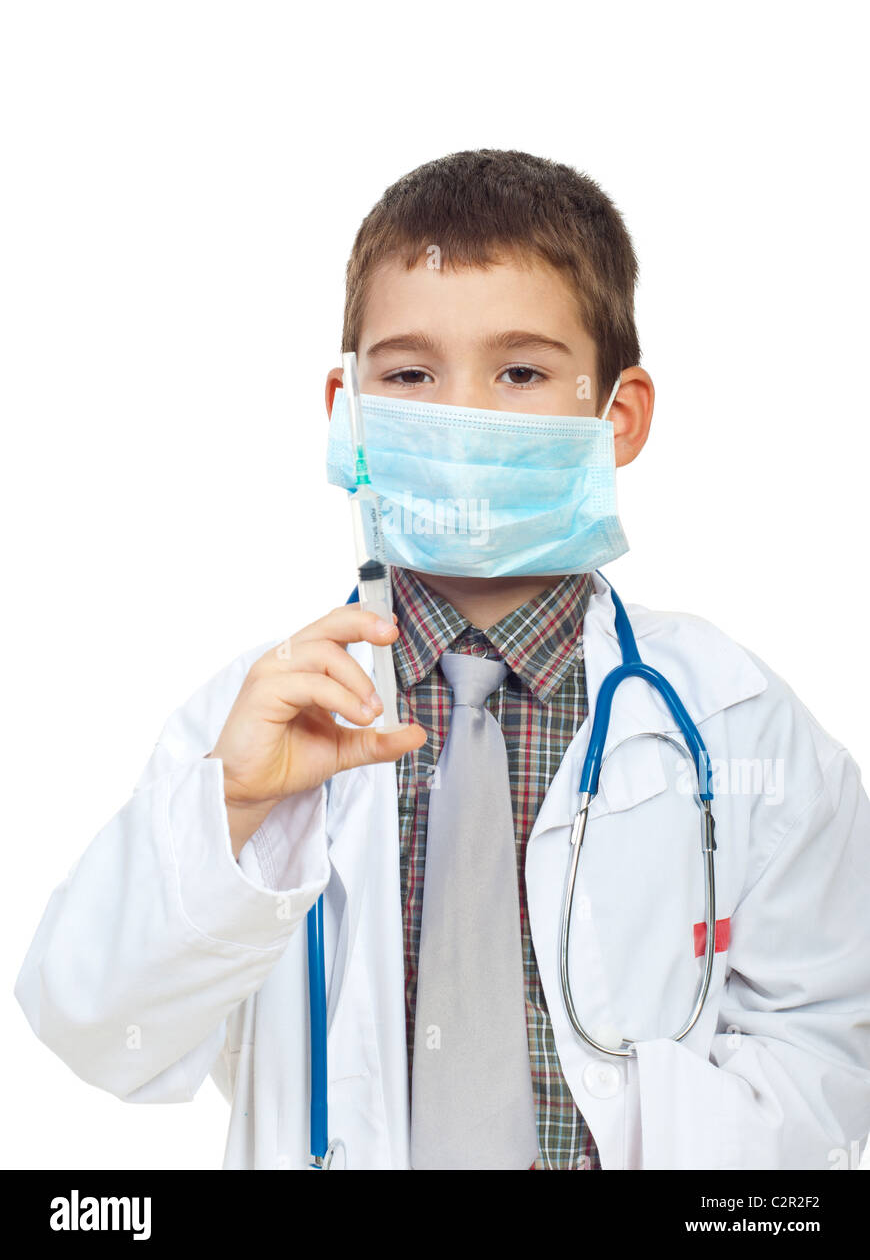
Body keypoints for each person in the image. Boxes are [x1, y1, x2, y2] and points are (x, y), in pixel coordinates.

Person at [14, 149, 870, 1171]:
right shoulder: (254, 723)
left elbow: (831, 1055)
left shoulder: (737, 721)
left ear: (619, 417)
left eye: (522, 372)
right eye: (412, 375)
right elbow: (97, 1029)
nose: (463, 418)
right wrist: (231, 808)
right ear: (348, 411)